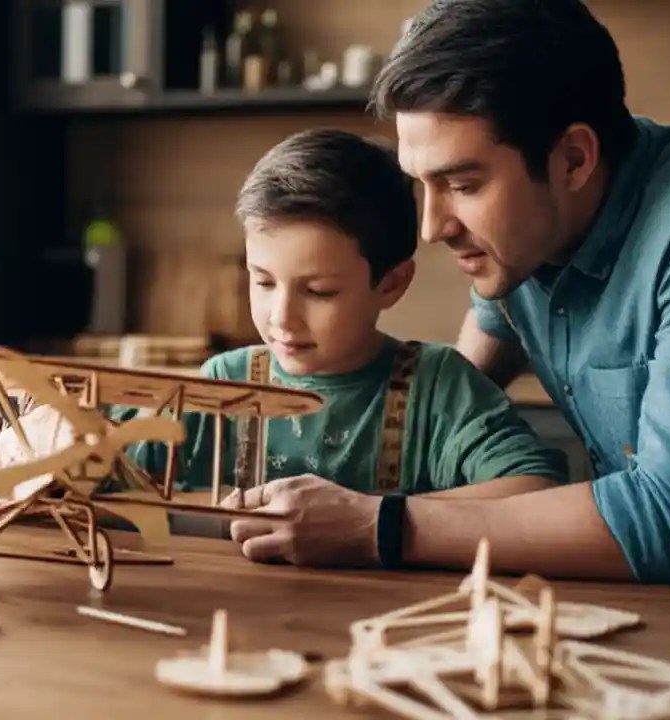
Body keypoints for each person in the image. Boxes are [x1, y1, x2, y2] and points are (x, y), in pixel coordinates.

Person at [224, 0, 670, 590]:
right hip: (668, 611)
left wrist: (374, 524)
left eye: (463, 184)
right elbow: (454, 399)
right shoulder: (517, 242)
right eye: (421, 184)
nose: (432, 227)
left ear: (575, 158)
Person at [116, 128, 568, 565]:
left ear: (391, 284)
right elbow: (102, 465)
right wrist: (59, 432)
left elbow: (534, 490)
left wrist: (369, 520)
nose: (281, 317)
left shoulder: (437, 388)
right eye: (263, 282)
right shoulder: (222, 385)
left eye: (319, 292)